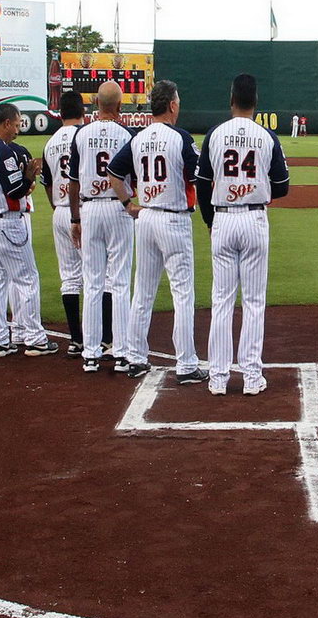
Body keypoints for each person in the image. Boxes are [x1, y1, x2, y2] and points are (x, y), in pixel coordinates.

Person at [195, 73, 290, 393]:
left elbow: (201, 183)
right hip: (253, 219)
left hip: (222, 218)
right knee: (253, 301)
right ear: (256, 102)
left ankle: (218, 378)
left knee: (221, 301)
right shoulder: (267, 137)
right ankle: (251, 377)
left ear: (231, 98)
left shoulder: (215, 134)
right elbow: (282, 186)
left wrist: (211, 222)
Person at [108, 79, 205, 381]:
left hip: (146, 216)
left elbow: (113, 172)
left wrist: (127, 203)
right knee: (182, 294)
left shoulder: (137, 138)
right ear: (172, 105)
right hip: (173, 218)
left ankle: (136, 358)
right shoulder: (180, 137)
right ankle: (187, 365)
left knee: (143, 291)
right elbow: (201, 175)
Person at [0, 103, 57, 357]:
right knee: (26, 279)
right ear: (6, 124)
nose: (17, 130)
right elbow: (15, 191)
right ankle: (35, 338)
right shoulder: (2, 151)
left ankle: (0, 339)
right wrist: (28, 177)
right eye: (16, 125)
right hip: (7, 221)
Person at [67, 82, 136, 374]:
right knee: (119, 282)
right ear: (120, 106)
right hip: (118, 206)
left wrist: (75, 219)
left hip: (90, 207)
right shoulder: (127, 135)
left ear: (96, 103)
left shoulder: (81, 134)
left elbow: (73, 182)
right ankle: (120, 353)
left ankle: (91, 354)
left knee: (92, 282)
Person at [39, 91, 85, 353]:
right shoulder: (84, 135)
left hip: (59, 209)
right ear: (81, 112)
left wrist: (56, 206)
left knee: (69, 277)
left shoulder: (51, 142)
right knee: (93, 275)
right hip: (82, 209)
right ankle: (96, 338)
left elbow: (46, 183)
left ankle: (76, 340)